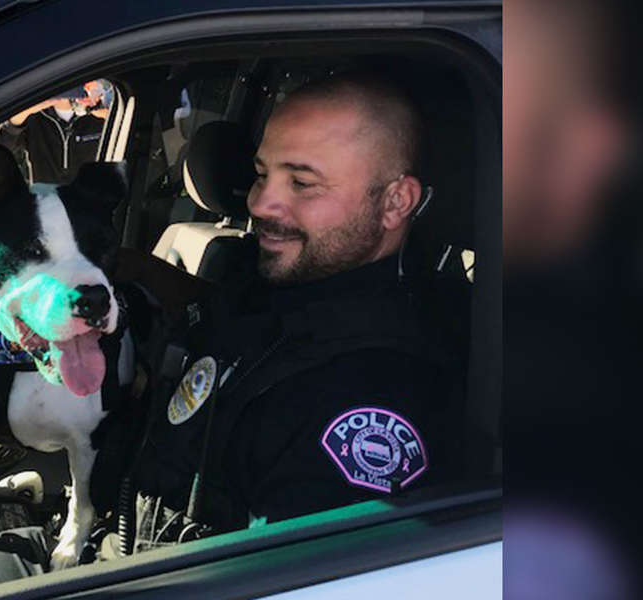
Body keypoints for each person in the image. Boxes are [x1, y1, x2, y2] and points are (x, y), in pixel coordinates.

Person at [91, 70, 469, 550]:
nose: (260, 203)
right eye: (263, 174)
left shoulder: (372, 392)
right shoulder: (273, 285)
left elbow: (307, 576)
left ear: (395, 202)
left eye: (303, 183)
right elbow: (218, 318)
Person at [0, 80, 112, 184]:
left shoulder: (101, 108)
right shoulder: (33, 116)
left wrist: (110, 113)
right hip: (47, 208)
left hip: (96, 207)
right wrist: (21, 115)